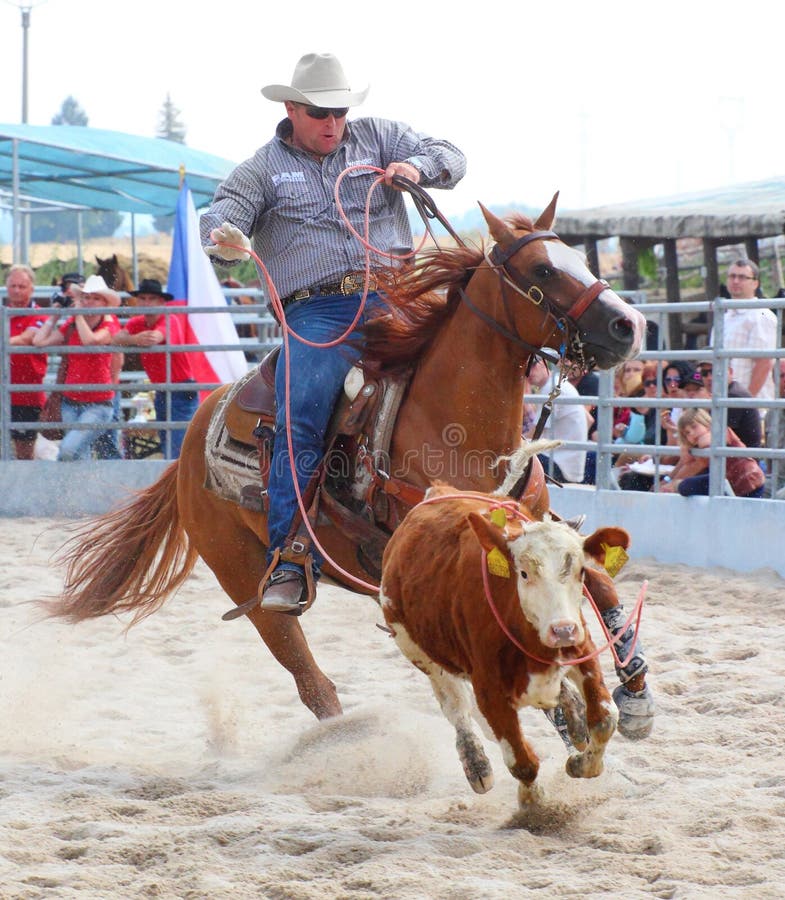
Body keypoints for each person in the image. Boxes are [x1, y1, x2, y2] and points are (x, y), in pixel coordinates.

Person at [200, 52, 466, 615]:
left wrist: (417, 169)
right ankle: (291, 554)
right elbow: (221, 216)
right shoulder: (261, 169)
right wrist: (223, 237)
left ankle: (516, 489)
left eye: (340, 112)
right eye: (320, 112)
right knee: (302, 412)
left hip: (398, 292)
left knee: (477, 355)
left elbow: (452, 155)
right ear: (291, 108)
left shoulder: (379, 138)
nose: (333, 123)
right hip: (319, 310)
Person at [32, 275, 122, 461]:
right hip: (70, 402)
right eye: (86, 297)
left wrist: (77, 314)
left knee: (68, 450)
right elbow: (39, 341)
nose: (89, 302)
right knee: (79, 456)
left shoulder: (109, 325)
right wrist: (55, 313)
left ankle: (61, 485)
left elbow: (91, 341)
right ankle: (85, 490)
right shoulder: (71, 325)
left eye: (96, 298)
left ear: (105, 304)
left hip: (99, 404)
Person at [115, 278, 198, 459]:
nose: (146, 303)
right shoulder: (139, 322)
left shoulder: (170, 319)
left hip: (181, 388)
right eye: (142, 298)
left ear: (161, 302)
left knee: (177, 444)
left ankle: (178, 482)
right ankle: (175, 481)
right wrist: (135, 339)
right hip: (165, 389)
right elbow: (118, 337)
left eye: (151, 298)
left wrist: (132, 339)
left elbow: (154, 338)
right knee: (169, 440)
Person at [711, 259, 777, 409]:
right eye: (732, 276)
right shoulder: (724, 316)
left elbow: (764, 363)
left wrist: (747, 405)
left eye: (742, 277)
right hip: (724, 403)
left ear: (755, 283)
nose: (735, 281)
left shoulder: (761, 315)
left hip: (751, 407)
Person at [660, 407, 765, 498]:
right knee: (686, 486)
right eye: (687, 433)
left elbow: (705, 443)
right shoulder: (698, 448)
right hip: (729, 482)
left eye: (694, 426)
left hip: (749, 481)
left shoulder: (722, 431)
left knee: (685, 486)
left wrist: (687, 447)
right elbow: (689, 465)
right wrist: (671, 482)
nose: (691, 433)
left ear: (707, 424)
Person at [5, 265, 48, 460]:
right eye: (13, 285)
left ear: (32, 288)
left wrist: (3, 343)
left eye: (22, 286)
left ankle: (25, 488)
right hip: (4, 389)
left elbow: (26, 338)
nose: (16, 290)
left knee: (24, 450)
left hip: (26, 393)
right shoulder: (2, 313)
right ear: (6, 286)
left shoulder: (40, 315)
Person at [524, 357, 589, 483]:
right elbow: (589, 420)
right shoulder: (557, 383)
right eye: (525, 369)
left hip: (559, 465)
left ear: (544, 363)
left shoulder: (553, 387)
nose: (529, 372)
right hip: (566, 464)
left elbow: (535, 433)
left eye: (532, 365)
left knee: (513, 458)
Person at [684, 361, 762, 449]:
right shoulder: (726, 394)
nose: (709, 377)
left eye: (715, 371)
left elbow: (714, 439)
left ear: (730, 372)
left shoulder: (733, 396)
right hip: (732, 458)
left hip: (739, 460)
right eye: (704, 373)